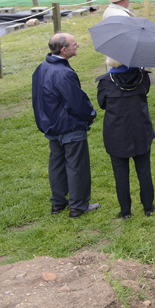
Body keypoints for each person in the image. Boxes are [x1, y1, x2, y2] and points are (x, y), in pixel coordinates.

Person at [33, 33, 99, 217]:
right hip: (69, 127)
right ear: (64, 50)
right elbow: (76, 102)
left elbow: (37, 99)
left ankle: (58, 203)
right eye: (74, 44)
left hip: (51, 126)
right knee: (76, 165)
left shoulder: (41, 68)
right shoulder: (64, 73)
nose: (77, 45)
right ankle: (78, 206)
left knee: (57, 164)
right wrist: (90, 115)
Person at [97, 60, 155, 219]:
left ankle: (126, 211)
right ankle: (148, 207)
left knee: (121, 174)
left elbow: (102, 103)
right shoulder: (142, 77)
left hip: (118, 132)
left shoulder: (106, 82)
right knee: (144, 170)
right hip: (138, 130)